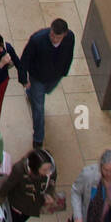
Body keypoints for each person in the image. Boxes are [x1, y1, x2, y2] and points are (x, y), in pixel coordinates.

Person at [19, 17, 75, 147]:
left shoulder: (70, 37)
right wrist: (23, 79)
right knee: (38, 107)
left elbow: (69, 54)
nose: (54, 39)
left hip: (55, 75)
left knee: (47, 91)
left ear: (64, 34)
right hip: (38, 77)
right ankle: (38, 137)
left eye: (57, 37)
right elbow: (25, 60)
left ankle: (30, 92)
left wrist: (64, 71)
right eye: (52, 35)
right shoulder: (37, 40)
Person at [0, 148, 58, 222]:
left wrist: (49, 193)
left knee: (23, 220)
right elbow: (8, 185)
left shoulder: (50, 169)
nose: (47, 172)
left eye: (49, 169)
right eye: (44, 170)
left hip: (34, 204)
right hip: (19, 204)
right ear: (34, 168)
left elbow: (52, 181)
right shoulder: (19, 170)